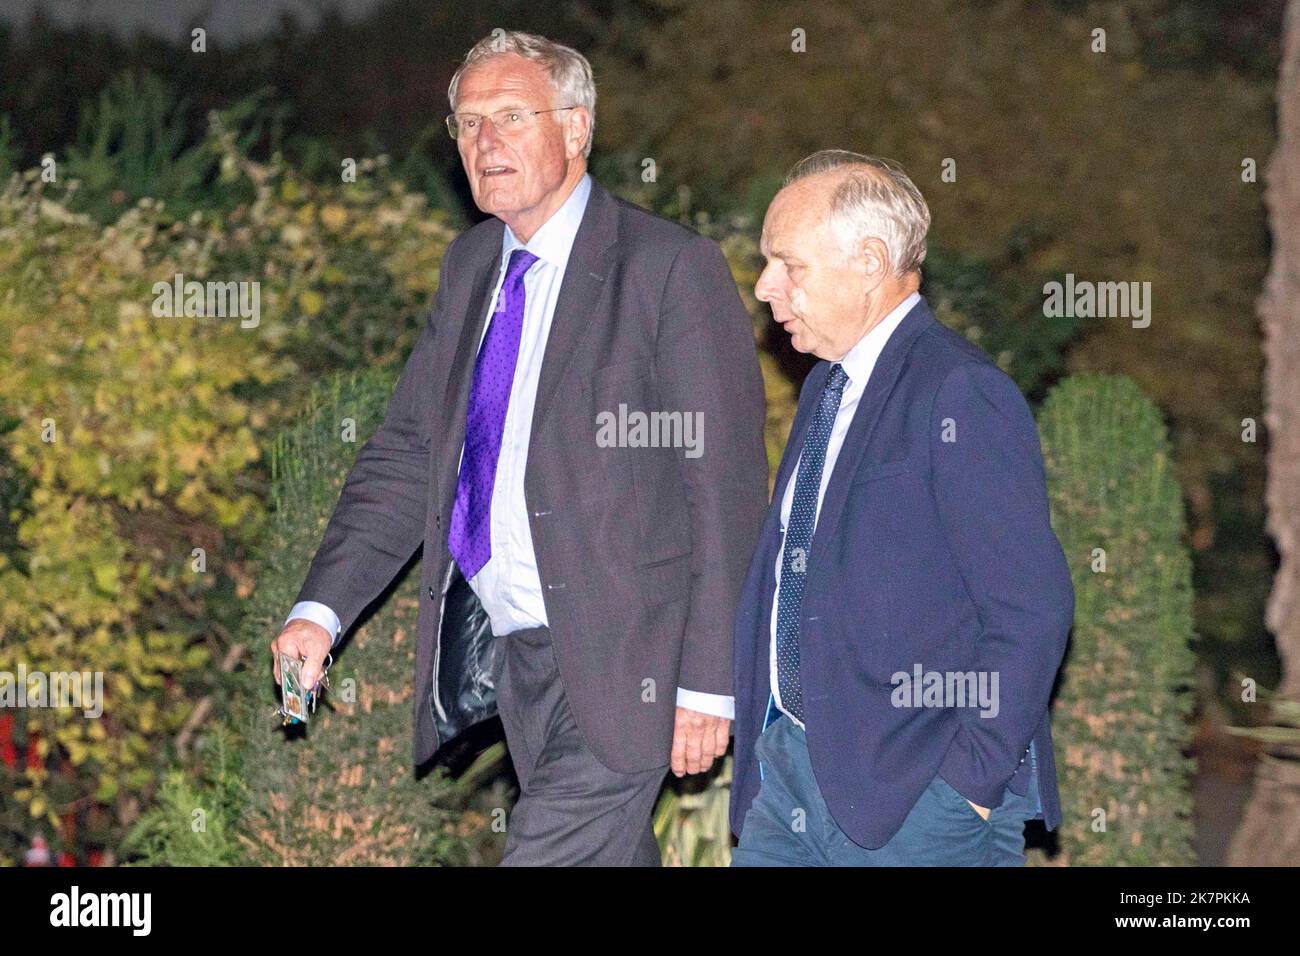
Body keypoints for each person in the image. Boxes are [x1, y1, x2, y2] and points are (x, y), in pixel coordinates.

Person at [271, 30, 767, 866]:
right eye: (466, 124)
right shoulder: (471, 267)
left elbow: (722, 487)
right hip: (516, 654)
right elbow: (408, 454)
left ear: (576, 129)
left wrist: (711, 680)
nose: (483, 142)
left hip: (632, 659)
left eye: (508, 116)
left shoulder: (667, 268)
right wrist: (320, 611)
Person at [730, 150, 1074, 865]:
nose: (766, 287)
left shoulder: (958, 393)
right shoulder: (827, 390)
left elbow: (1030, 609)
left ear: (870, 261)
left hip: (915, 804)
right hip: (790, 779)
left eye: (790, 265)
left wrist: (967, 784)